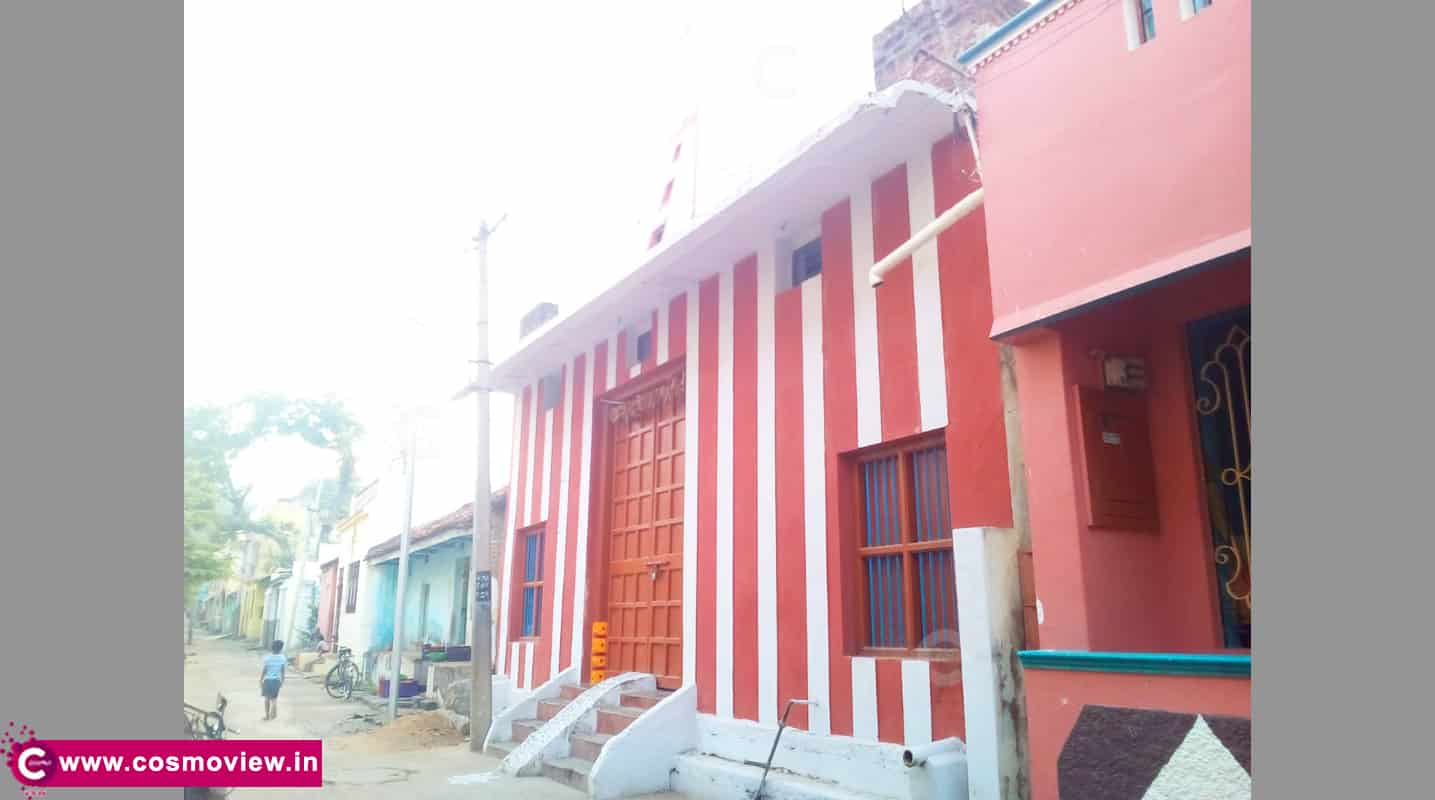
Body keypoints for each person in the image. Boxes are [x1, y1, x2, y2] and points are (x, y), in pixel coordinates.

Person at [260, 640, 286, 721]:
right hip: (276, 680)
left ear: (272, 648)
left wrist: (261, 679)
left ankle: (267, 715)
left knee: (267, 698)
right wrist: (282, 681)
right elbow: (282, 671)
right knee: (274, 699)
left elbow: (265, 670)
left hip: (267, 680)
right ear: (281, 648)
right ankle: (273, 714)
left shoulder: (267, 658)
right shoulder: (282, 658)